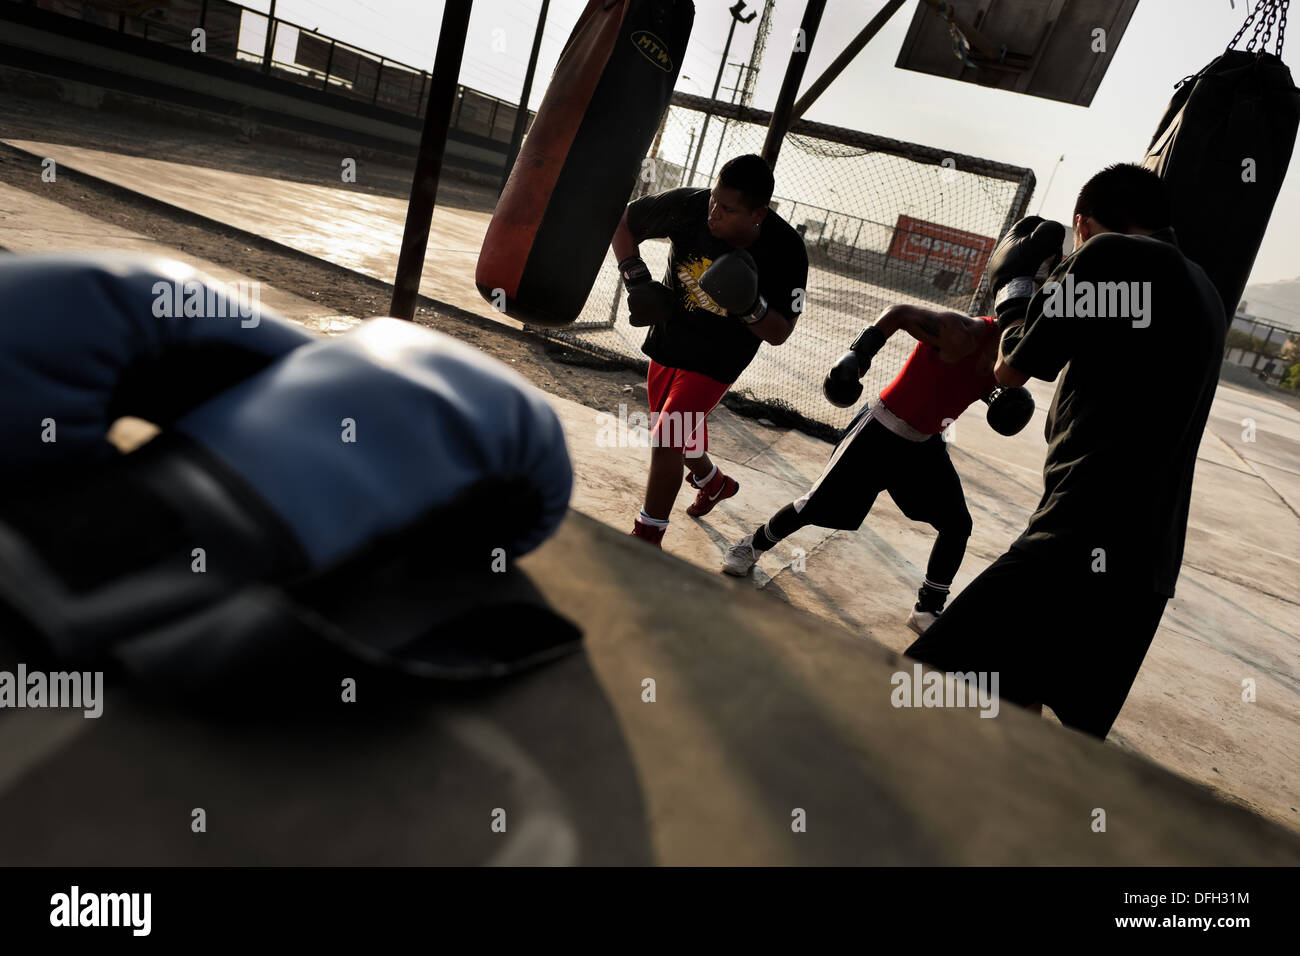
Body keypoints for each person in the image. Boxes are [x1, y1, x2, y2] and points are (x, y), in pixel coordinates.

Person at [905, 163, 1229, 740]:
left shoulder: (1108, 254)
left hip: (1076, 536)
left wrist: (1013, 294)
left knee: (925, 683)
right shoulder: (1204, 289)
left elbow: (1013, 369)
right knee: (1032, 717)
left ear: (1082, 223)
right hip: (1146, 567)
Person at [722, 301, 1039, 635]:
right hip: (880, 432)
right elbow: (899, 313)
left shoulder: (1009, 360)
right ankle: (751, 545)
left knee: (957, 524)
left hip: (925, 447)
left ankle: (927, 608)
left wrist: (1000, 400)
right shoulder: (959, 331)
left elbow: (971, 382)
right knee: (817, 506)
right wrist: (858, 355)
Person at [610, 154, 809, 547]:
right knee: (677, 430)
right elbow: (622, 221)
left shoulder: (787, 251)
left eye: (728, 209)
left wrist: (750, 305)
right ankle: (713, 482)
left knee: (668, 435)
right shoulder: (689, 206)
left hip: (720, 356)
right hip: (671, 336)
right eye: (714, 200)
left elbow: (780, 332)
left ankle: (648, 535)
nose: (714, 213)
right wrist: (635, 278)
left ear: (758, 213)